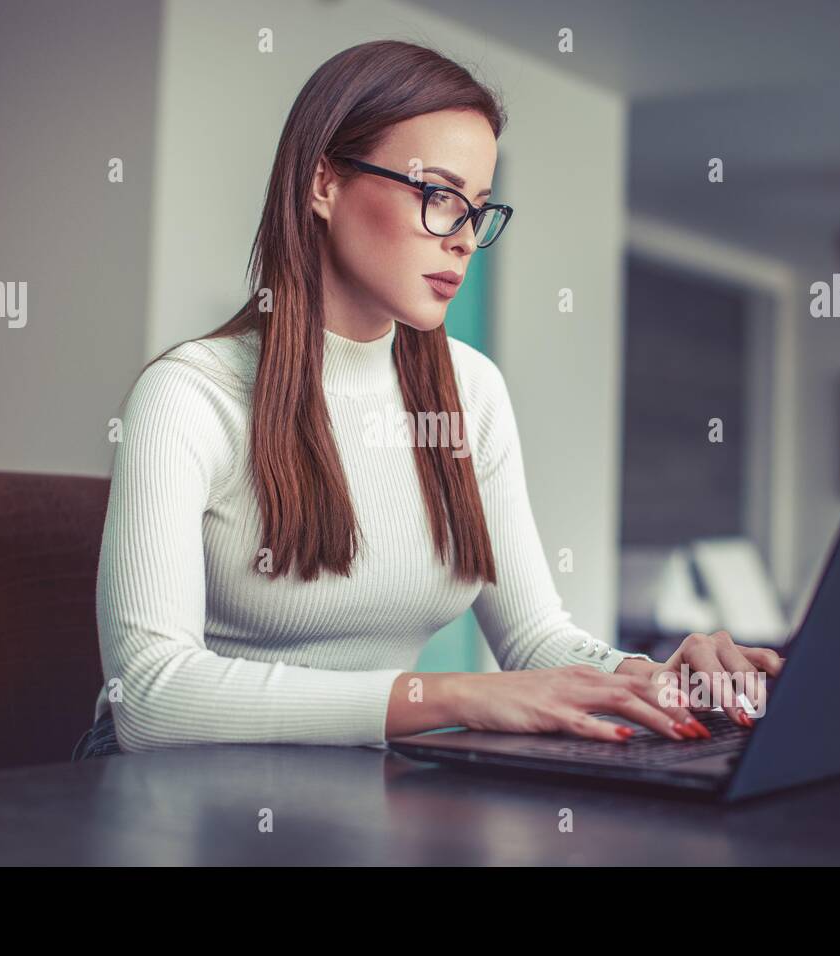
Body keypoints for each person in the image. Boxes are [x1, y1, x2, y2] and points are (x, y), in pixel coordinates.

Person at [73, 39, 782, 761]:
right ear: (323, 182)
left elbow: (537, 640)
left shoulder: (471, 392)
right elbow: (152, 698)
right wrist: (451, 694)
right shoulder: (189, 396)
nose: (465, 240)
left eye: (477, 210)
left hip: (356, 789)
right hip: (174, 794)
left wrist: (656, 679)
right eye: (439, 196)